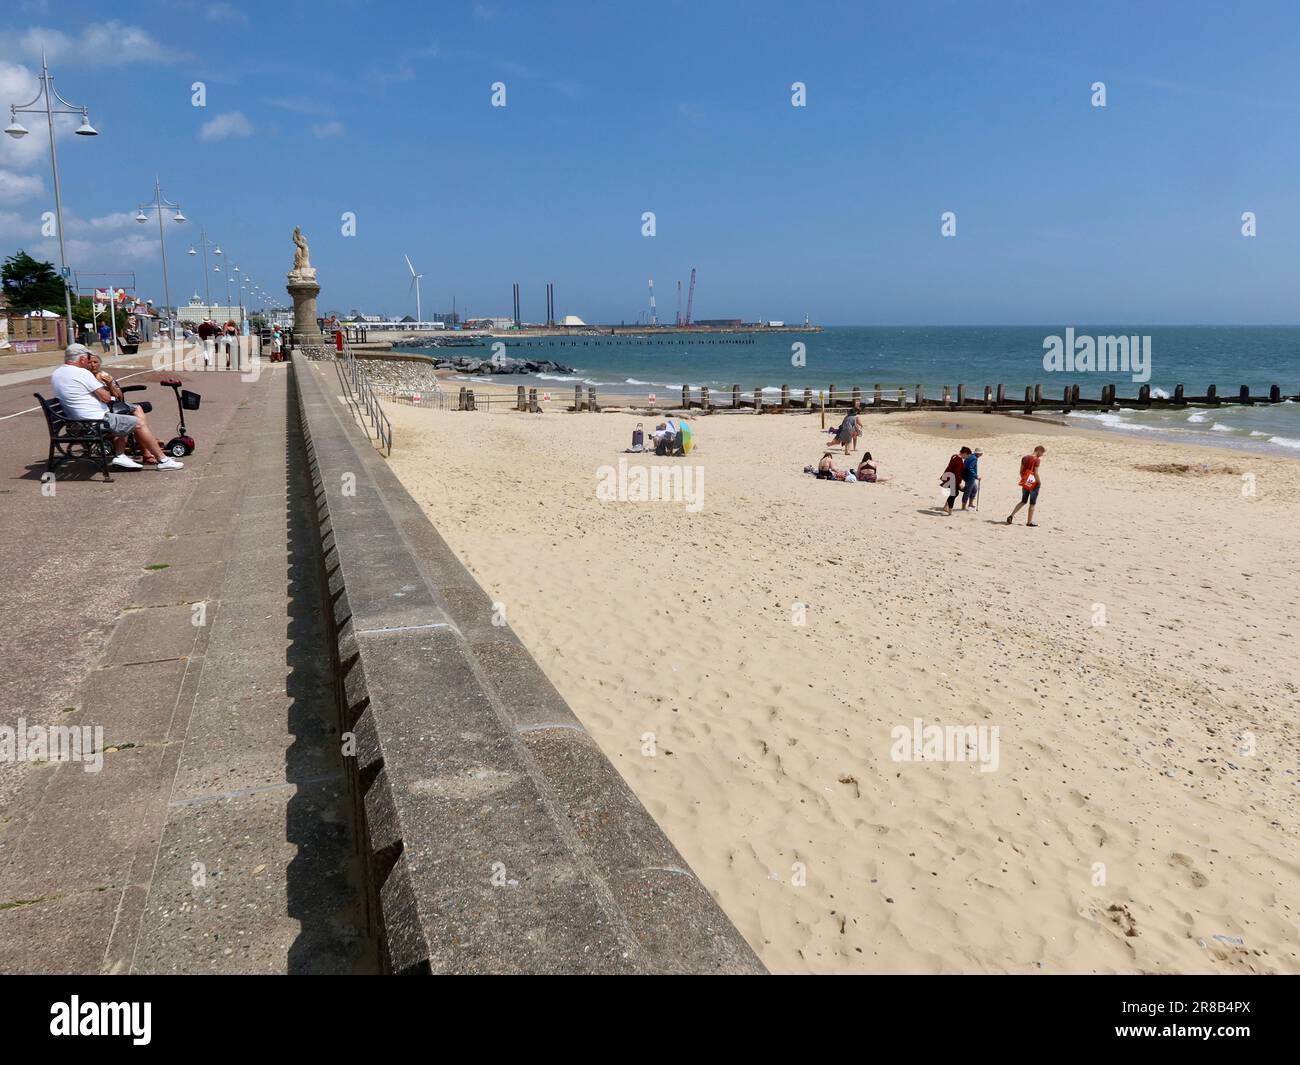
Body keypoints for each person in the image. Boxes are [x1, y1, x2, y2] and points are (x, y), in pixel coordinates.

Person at [50, 344, 183, 470]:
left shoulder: (57, 373)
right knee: (138, 423)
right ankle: (163, 460)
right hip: (95, 422)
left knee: (125, 416)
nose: (89, 362)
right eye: (88, 359)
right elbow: (106, 397)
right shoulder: (82, 373)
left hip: (77, 421)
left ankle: (121, 455)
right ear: (82, 358)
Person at [1007, 445, 1046, 526]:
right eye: (1042, 453)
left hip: (1025, 482)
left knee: (1023, 501)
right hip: (1033, 483)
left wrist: (1025, 479)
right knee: (1032, 503)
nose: (1042, 455)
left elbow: (1021, 471)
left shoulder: (1024, 458)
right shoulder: (1037, 460)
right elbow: (1035, 473)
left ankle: (1011, 515)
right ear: (1039, 451)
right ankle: (1029, 522)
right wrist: (1039, 482)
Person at [941, 447, 970, 514]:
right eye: (968, 455)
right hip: (952, 478)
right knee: (954, 494)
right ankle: (950, 510)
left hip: (948, 476)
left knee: (954, 493)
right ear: (965, 453)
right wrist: (959, 483)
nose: (967, 457)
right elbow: (957, 472)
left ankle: (946, 507)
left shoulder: (955, 456)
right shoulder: (958, 460)